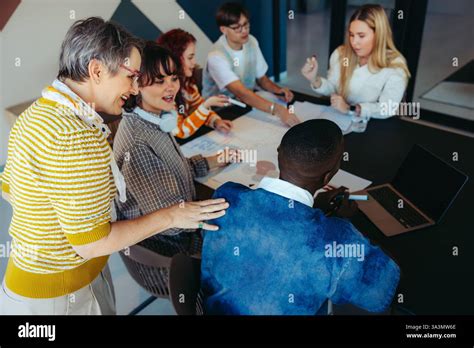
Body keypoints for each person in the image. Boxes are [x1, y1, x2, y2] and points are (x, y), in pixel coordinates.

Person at [0, 17, 228, 315]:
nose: (135, 89)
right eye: (132, 76)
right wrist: (172, 215)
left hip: (47, 279)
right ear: (96, 71)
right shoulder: (76, 138)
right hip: (60, 296)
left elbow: (10, 191)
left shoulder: (39, 113)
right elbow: (93, 244)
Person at [201, 119, 400, 315]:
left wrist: (318, 213)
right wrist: (343, 226)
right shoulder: (337, 241)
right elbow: (380, 294)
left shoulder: (226, 196)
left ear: (278, 152)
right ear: (327, 177)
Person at [113, 42, 240, 286]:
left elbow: (176, 169)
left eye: (173, 77)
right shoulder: (137, 142)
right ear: (136, 85)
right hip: (169, 250)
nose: (171, 87)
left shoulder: (156, 119)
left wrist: (215, 160)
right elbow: (172, 224)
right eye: (159, 81)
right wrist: (223, 212)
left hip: (181, 225)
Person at [301, 4, 410, 119]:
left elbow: (387, 108)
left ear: (379, 35)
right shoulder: (341, 54)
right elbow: (332, 89)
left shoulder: (395, 65)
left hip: (372, 125)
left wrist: (350, 109)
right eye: (351, 35)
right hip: (339, 118)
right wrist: (314, 79)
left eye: (361, 36)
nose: (354, 42)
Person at [202, 2, 300, 127]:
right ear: (223, 29)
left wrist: (278, 91)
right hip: (220, 111)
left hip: (247, 103)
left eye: (246, 24)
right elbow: (241, 92)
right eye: (237, 27)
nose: (244, 31)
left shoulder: (251, 41)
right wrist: (278, 110)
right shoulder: (216, 56)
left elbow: (262, 78)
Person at [157, 29, 234, 138]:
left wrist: (216, 121)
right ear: (175, 59)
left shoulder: (188, 84)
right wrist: (206, 105)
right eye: (190, 57)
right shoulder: (165, 93)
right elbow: (180, 132)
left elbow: (197, 108)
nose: (194, 62)